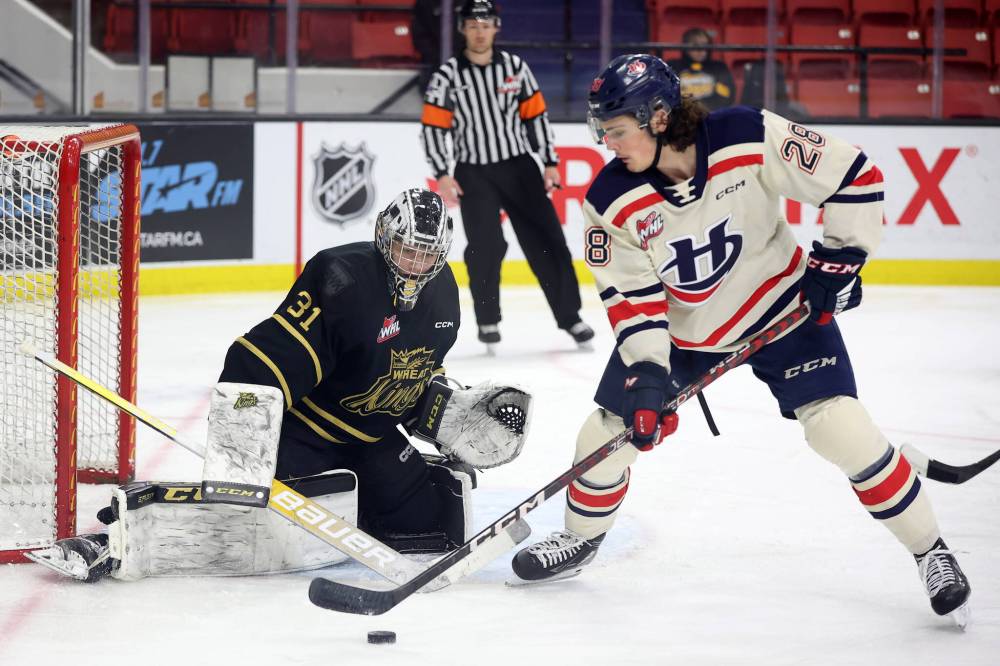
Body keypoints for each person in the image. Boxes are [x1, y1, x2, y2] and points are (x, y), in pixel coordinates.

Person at [511, 54, 972, 627]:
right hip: (686, 336)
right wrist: (649, 374)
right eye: (602, 130)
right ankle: (579, 539)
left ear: (657, 117)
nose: (607, 143)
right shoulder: (609, 200)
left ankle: (933, 553)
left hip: (780, 309)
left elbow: (852, 176)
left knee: (841, 429)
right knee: (606, 430)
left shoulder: (744, 134)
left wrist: (836, 264)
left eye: (616, 129)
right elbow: (633, 298)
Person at [28, 188, 531, 582]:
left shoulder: (444, 298)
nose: (414, 264)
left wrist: (446, 412)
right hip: (304, 436)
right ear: (384, 236)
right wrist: (245, 445)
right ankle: (112, 543)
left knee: (425, 520)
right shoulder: (342, 280)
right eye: (405, 249)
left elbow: (415, 378)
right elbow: (264, 360)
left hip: (371, 440)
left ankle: (347, 509)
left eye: (426, 254)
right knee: (246, 525)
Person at [420, 0, 595, 353]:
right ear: (462, 29)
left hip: (519, 167)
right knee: (485, 246)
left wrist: (548, 161)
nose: (479, 31)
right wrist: (441, 172)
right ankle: (488, 319)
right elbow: (433, 127)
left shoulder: (515, 68)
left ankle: (570, 316)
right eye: (472, 25)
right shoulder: (448, 75)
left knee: (547, 240)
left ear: (496, 27)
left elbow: (536, 117)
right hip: (473, 171)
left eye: (485, 24)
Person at [667, 27, 735, 111]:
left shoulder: (719, 67)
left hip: (711, 114)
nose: (700, 50)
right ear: (685, 46)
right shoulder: (673, 66)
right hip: (683, 115)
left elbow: (727, 96)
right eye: (695, 45)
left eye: (704, 45)